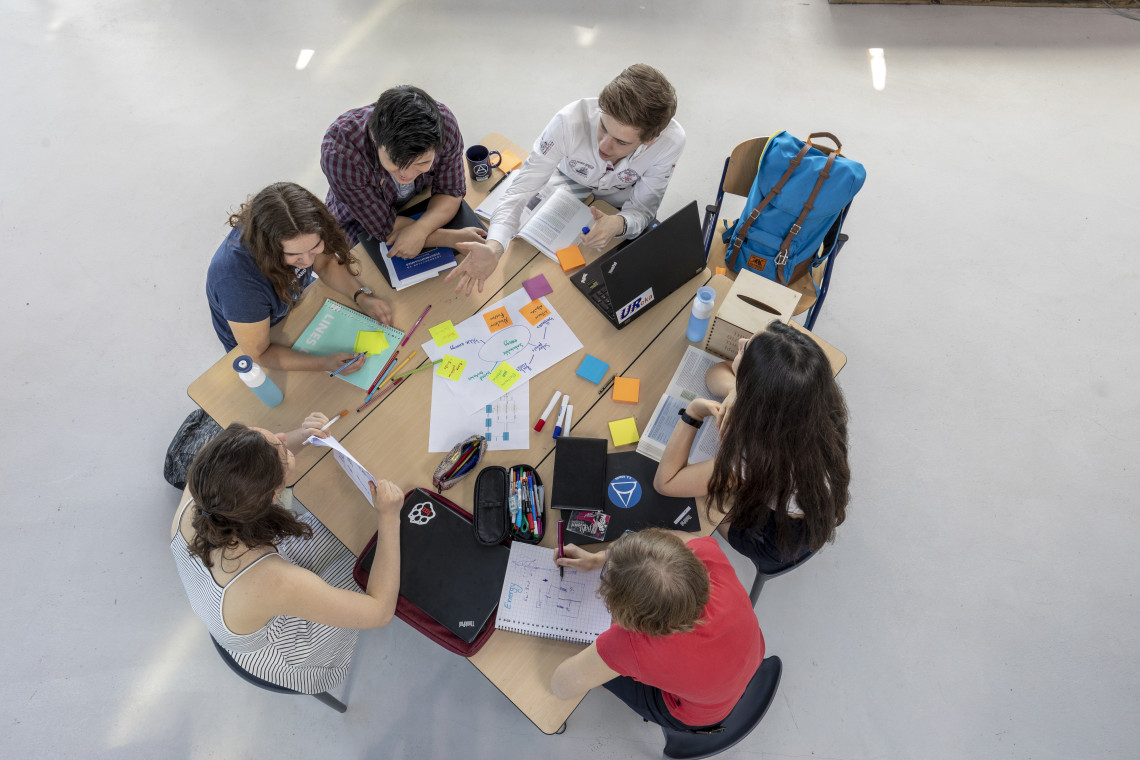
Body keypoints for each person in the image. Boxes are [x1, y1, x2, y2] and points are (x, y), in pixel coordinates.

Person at [170, 412, 403, 694]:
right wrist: (389, 517)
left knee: (337, 529)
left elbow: (260, 461)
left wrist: (302, 435)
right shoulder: (274, 582)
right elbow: (379, 612)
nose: (283, 438)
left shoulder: (205, 487)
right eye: (282, 448)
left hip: (232, 607)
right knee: (363, 555)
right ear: (272, 497)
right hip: (282, 655)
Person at [447, 63, 685, 296]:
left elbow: (643, 210)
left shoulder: (670, 142)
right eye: (603, 127)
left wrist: (619, 223)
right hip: (566, 183)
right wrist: (495, 246)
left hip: (618, 202)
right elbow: (522, 189)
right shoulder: (569, 120)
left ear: (650, 140)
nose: (603, 146)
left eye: (621, 142)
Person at [653, 321, 851, 573]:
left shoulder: (753, 458)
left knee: (701, 498)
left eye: (745, 349)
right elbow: (716, 372)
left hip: (775, 540)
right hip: (813, 508)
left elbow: (666, 483)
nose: (740, 343)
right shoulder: (812, 398)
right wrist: (737, 391)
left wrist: (693, 413)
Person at [551, 529, 763, 731]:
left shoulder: (630, 644)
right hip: (748, 662)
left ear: (629, 617)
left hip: (702, 715)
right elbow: (673, 537)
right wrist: (603, 558)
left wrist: (603, 649)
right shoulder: (709, 556)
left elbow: (560, 686)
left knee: (602, 672)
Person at [206, 182, 392, 374]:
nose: (308, 261)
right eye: (295, 255)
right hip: (261, 334)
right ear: (268, 247)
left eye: (315, 247)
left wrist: (361, 295)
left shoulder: (300, 229)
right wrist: (323, 364)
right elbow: (259, 353)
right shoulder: (236, 282)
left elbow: (325, 264)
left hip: (295, 301)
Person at [320, 85, 486, 266]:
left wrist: (420, 230)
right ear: (375, 136)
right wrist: (449, 238)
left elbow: (450, 192)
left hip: (419, 201)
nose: (406, 175)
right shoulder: (340, 151)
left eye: (422, 163)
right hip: (358, 220)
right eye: (396, 163)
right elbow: (382, 226)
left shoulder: (445, 125)